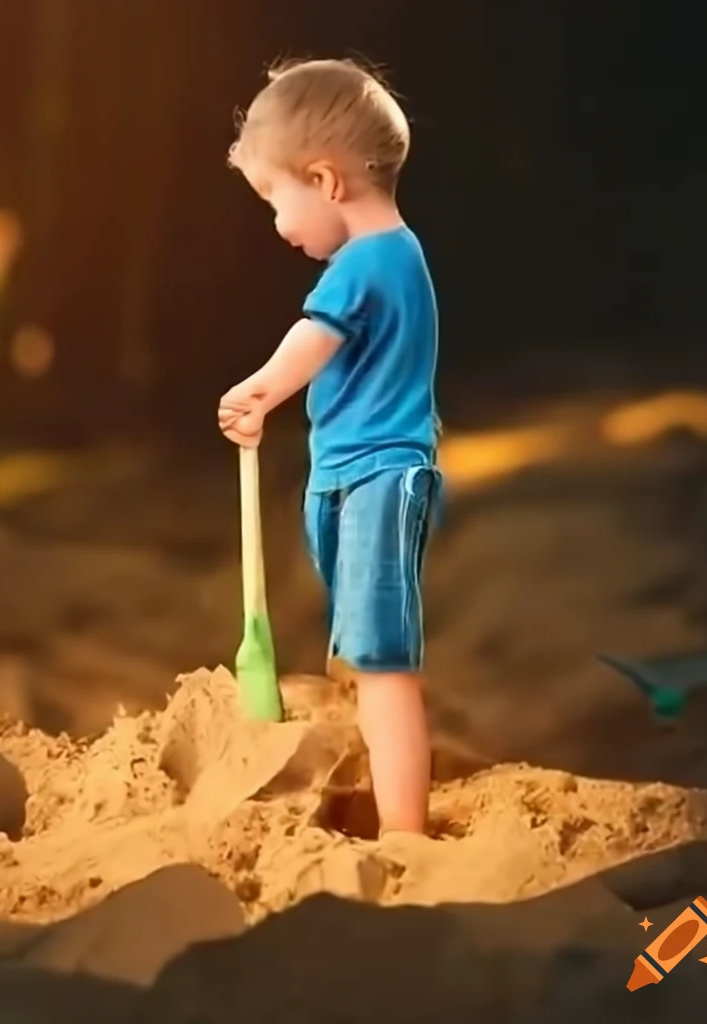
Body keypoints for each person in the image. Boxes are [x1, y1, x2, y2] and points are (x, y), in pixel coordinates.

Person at [218, 57, 441, 835]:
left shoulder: (367, 263)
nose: (279, 225)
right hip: (356, 473)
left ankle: (406, 829)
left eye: (278, 200)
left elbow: (311, 341)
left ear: (327, 180)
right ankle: (379, 795)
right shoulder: (393, 259)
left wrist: (258, 391)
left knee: (383, 666)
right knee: (366, 657)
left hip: (378, 476)